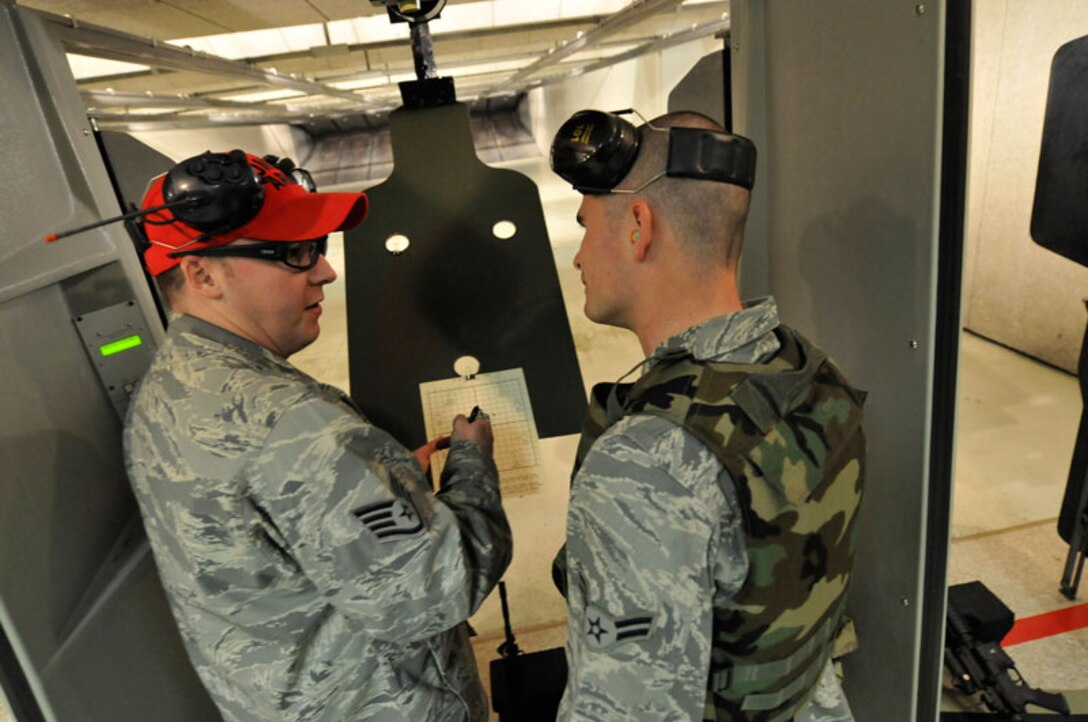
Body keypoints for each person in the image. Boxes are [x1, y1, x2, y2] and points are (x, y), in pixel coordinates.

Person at [123, 150, 511, 722]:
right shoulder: (295, 423)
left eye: (317, 247)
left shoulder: (164, 391)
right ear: (202, 275)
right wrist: (472, 463)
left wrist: (377, 488)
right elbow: (439, 589)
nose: (325, 271)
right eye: (294, 253)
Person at [548, 110, 866, 721]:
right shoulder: (806, 370)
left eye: (585, 227)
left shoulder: (644, 464)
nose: (579, 257)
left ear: (638, 227)